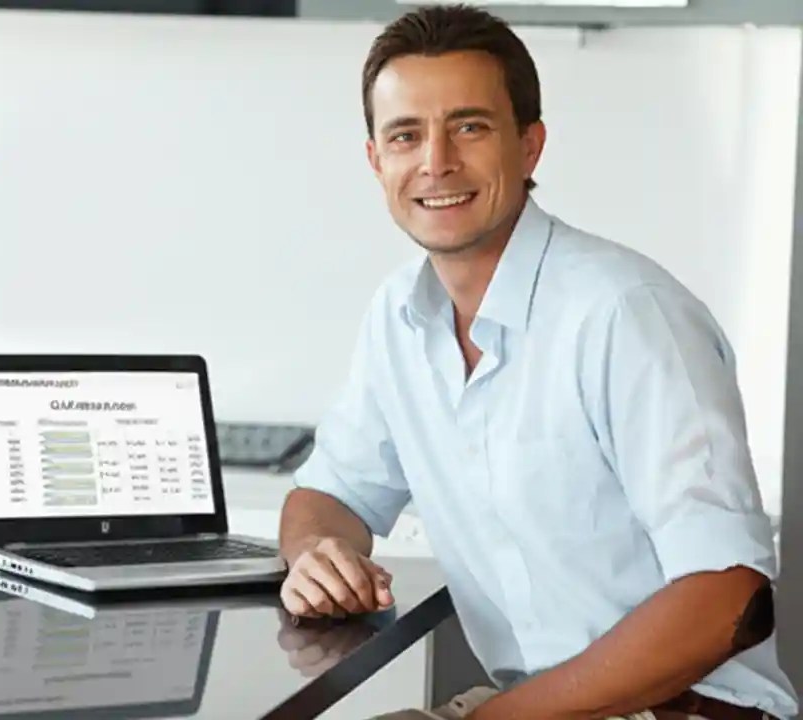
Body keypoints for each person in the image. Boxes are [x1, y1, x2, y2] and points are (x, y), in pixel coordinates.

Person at [276, 5, 800, 719]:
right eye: (406, 135)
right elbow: (329, 494)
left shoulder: (625, 314)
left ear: (530, 146)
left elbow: (728, 595)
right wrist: (320, 554)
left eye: (469, 126)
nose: (436, 161)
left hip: (691, 709)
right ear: (377, 160)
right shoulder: (398, 317)